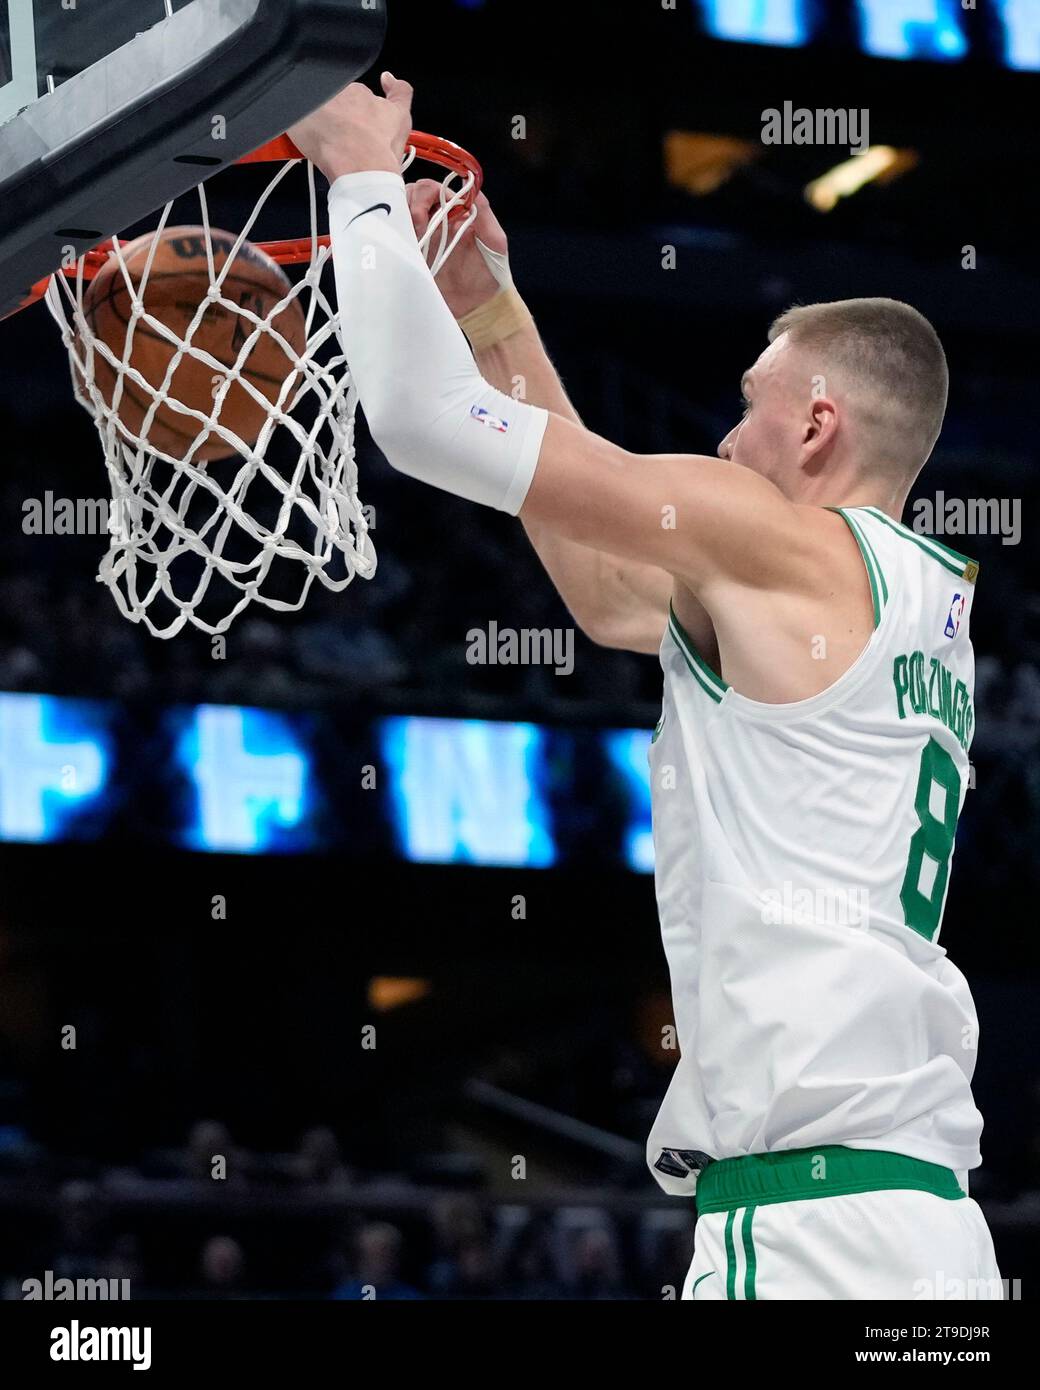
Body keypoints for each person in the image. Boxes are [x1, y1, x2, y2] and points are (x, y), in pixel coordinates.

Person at [287, 75, 1001, 1300]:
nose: (725, 443)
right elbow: (612, 591)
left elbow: (414, 419)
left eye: (747, 409)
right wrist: (494, 314)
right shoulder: (914, 603)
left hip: (814, 1227)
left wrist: (356, 171)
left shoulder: (772, 536)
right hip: (918, 1227)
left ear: (816, 424)